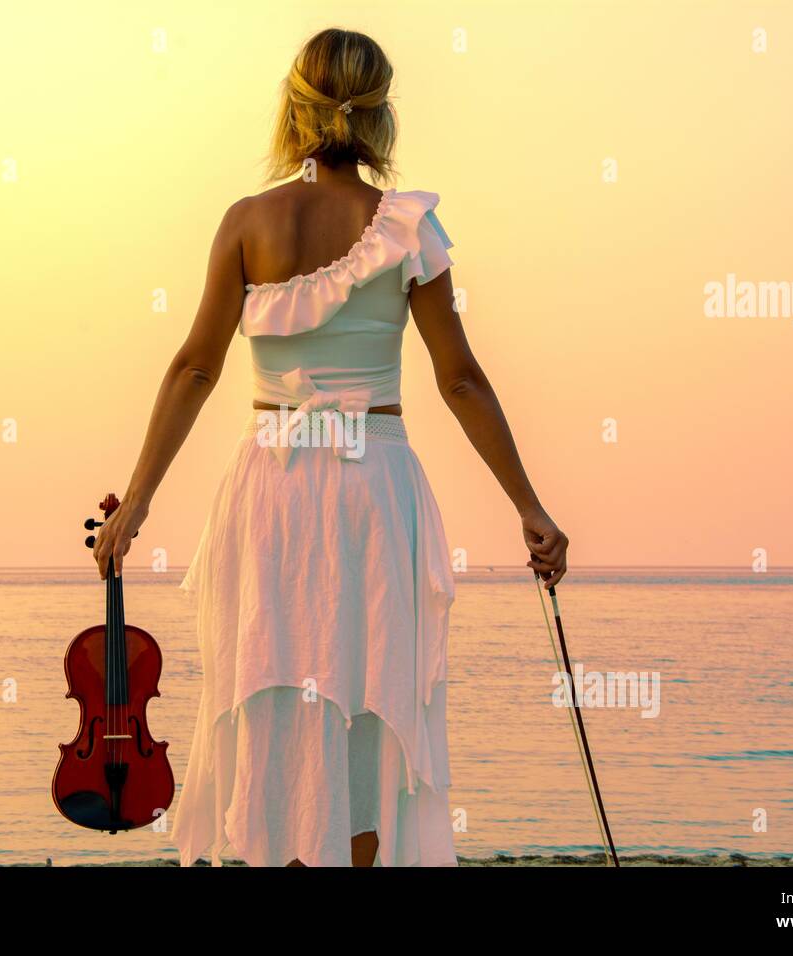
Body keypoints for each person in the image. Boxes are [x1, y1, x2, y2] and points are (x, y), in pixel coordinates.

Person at [92, 27, 567, 867]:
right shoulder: (408, 228)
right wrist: (528, 507)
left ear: (294, 107)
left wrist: (138, 501)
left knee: (272, 694)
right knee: (368, 699)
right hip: (370, 482)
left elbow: (195, 367)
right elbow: (460, 378)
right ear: (381, 113)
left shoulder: (248, 222)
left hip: (269, 486)